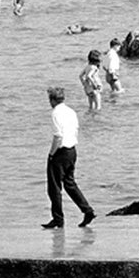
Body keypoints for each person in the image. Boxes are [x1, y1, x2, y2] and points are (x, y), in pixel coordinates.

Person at [43, 87, 95, 229]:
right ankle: (87, 210)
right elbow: (76, 130)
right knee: (70, 184)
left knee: (54, 188)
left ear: (52, 100)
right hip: (72, 150)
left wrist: (51, 154)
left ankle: (58, 219)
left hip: (60, 152)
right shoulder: (71, 111)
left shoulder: (55, 113)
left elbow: (58, 136)